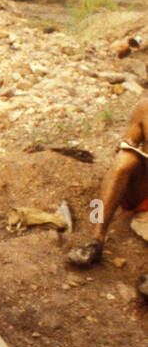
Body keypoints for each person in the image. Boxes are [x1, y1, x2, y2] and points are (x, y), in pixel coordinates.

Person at [67, 97, 148, 297]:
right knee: (123, 160)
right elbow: (130, 141)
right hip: (143, 189)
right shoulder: (145, 108)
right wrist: (127, 144)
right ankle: (96, 240)